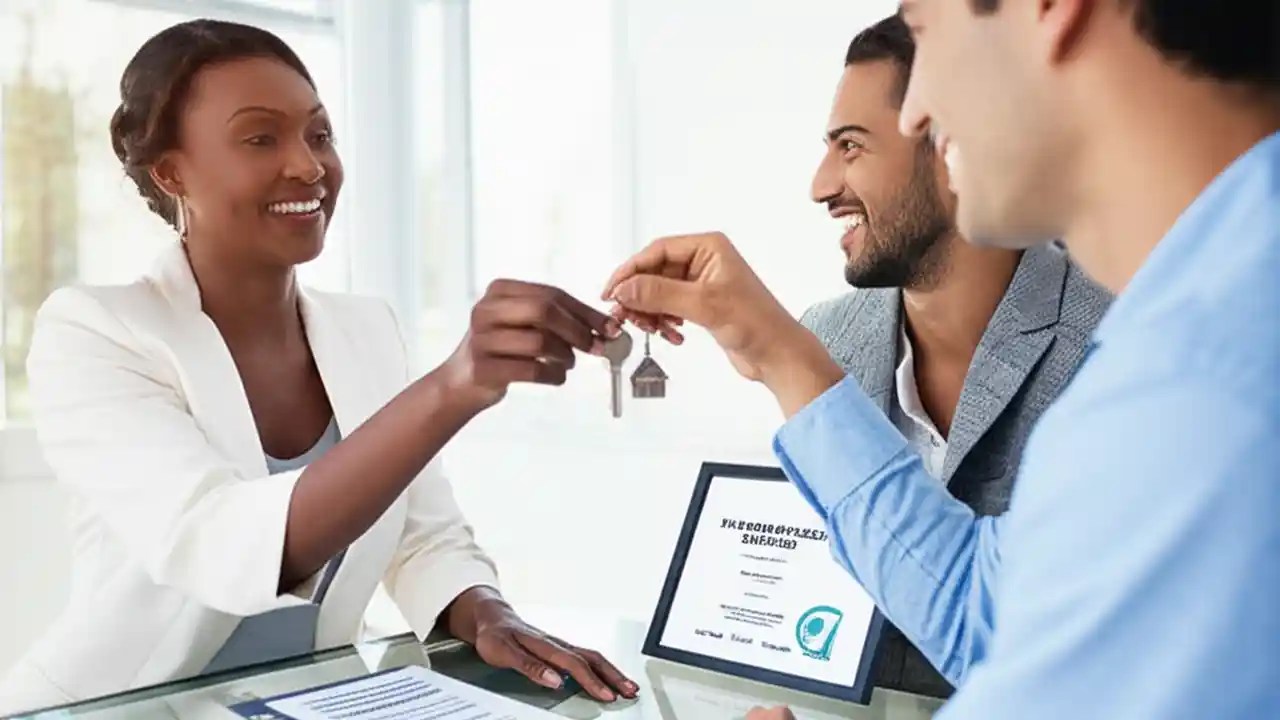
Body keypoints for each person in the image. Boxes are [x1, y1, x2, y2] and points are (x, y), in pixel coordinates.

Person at [605, 1, 1280, 718]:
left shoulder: (1206, 381)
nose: (922, 108)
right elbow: (991, 618)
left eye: (925, 32)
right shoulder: (1192, 325)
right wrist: (781, 356)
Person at [0, 20, 635, 715]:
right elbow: (220, 546)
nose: (308, 166)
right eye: (260, 138)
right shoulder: (95, 332)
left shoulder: (365, 329)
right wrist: (454, 388)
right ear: (172, 172)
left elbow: (422, 532)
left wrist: (484, 612)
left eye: (320, 134)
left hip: (304, 702)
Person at [803, 16, 1108, 698]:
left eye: (851, 148)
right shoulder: (827, 340)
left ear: (951, 145)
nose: (821, 186)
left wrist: (773, 355)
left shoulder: (1115, 339)